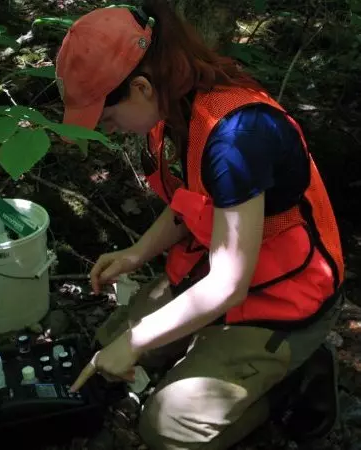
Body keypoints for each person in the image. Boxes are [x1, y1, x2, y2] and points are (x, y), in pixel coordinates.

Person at [55, 1, 345, 449]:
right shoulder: (169, 114)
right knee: (104, 345)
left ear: (141, 87)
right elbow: (189, 205)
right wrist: (137, 253)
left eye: (108, 118)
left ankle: (290, 388)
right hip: (217, 272)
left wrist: (136, 340)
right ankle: (214, 363)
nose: (108, 130)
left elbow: (229, 285)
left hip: (283, 298)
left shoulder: (235, 137)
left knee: (167, 427)